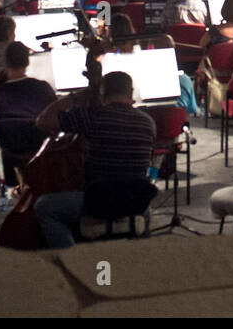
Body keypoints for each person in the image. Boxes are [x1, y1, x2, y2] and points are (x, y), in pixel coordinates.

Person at [32, 70, 156, 249]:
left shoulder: (93, 116)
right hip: (134, 200)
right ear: (131, 93)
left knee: (44, 207)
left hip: (100, 200)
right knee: (147, 211)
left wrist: (75, 97)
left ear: (102, 95)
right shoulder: (148, 122)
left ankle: (71, 260)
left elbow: (43, 121)